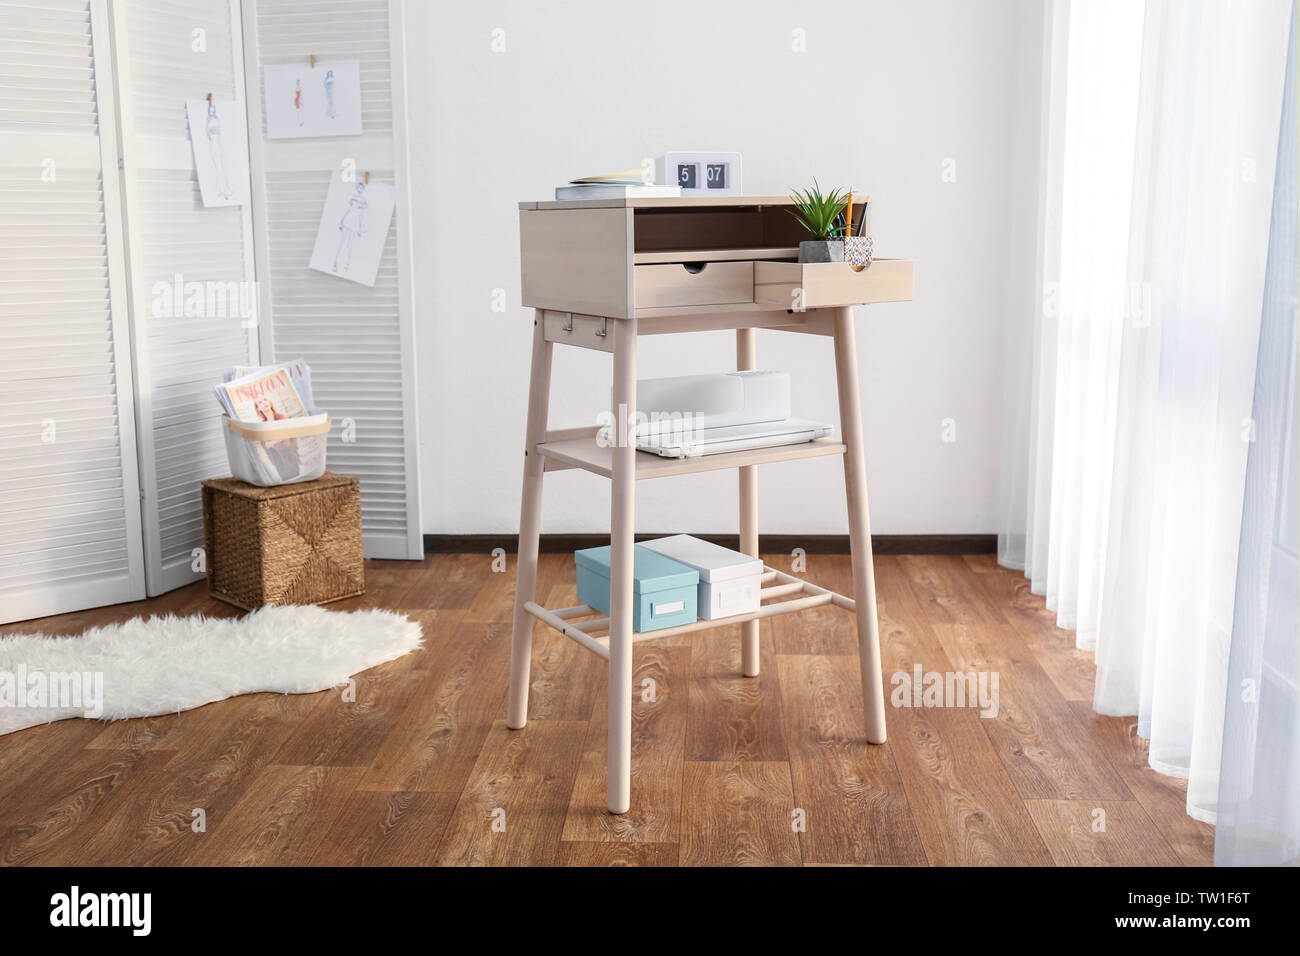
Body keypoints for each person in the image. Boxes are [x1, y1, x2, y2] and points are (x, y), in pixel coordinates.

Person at [333, 181, 368, 274]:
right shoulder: (353, 197)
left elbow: (361, 215)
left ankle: (347, 265)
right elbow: (349, 210)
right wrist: (341, 221)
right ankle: (335, 262)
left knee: (349, 245)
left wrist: (360, 229)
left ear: (363, 189)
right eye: (359, 187)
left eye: (362, 188)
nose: (360, 189)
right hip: (348, 220)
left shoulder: (364, 200)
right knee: (342, 242)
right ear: (357, 188)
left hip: (354, 223)